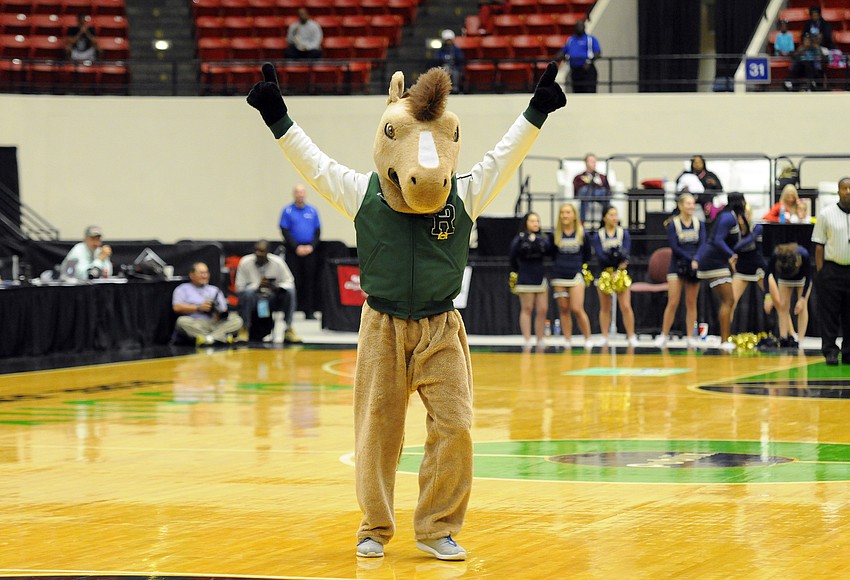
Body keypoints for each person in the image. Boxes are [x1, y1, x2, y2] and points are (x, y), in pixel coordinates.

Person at [247, 61, 566, 560]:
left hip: (442, 326)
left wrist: (536, 111)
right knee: (377, 432)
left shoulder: (462, 193)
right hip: (383, 326)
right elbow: (314, 163)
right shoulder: (362, 193)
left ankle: (437, 527)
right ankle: (374, 526)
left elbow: (505, 157)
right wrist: (278, 118)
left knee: (456, 425)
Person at [694, 192, 748, 351]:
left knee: (728, 300)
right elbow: (717, 240)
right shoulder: (728, 217)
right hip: (713, 262)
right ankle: (724, 340)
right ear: (740, 202)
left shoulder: (728, 215)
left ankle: (725, 339)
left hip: (717, 262)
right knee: (728, 300)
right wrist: (731, 256)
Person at [655, 193, 704, 347]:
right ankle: (664, 335)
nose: (691, 206)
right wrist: (690, 259)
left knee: (691, 302)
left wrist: (697, 259)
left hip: (694, 266)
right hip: (677, 266)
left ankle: (690, 336)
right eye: (687, 203)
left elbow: (703, 244)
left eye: (692, 203)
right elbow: (674, 247)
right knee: (673, 301)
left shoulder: (699, 223)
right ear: (680, 206)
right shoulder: (673, 224)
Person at [811, 176, 850, 365]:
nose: (848, 192)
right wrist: (821, 273)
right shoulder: (826, 214)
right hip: (832, 271)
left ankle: (848, 351)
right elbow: (819, 245)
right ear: (838, 191)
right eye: (845, 188)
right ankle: (830, 350)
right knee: (830, 314)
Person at [234, 240, 301, 344]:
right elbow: (240, 287)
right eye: (256, 250)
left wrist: (276, 287)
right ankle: (245, 328)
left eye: (261, 251)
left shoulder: (277, 262)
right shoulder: (246, 262)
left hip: (272, 297)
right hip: (253, 298)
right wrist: (257, 285)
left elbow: (289, 282)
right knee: (247, 293)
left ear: (268, 252)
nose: (258, 253)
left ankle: (288, 328)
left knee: (290, 292)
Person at [550, 203, 595, 349]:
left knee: (577, 308)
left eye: (568, 212)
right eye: (562, 212)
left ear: (574, 215)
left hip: (575, 274)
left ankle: (588, 338)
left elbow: (587, 254)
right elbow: (551, 254)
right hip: (559, 275)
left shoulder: (582, 233)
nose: (565, 215)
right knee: (563, 308)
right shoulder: (555, 234)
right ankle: (567, 340)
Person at [591, 205, 637, 346]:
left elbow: (626, 253)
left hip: (621, 273)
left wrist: (619, 265)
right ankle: (605, 336)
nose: (614, 218)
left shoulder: (623, 233)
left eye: (616, 215)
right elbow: (600, 255)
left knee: (625, 306)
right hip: (604, 273)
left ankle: (631, 335)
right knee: (605, 307)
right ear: (605, 217)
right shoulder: (598, 235)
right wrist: (612, 263)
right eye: (611, 215)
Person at [172, 262, 244, 346]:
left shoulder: (214, 290)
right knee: (181, 321)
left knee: (237, 320)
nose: (205, 276)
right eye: (202, 273)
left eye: (206, 273)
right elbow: (176, 308)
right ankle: (221, 338)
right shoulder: (182, 289)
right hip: (197, 323)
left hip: (216, 323)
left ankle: (208, 339)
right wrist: (198, 308)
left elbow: (224, 310)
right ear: (192, 275)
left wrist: (217, 311)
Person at [509, 212, 552, 352]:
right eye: (532, 221)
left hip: (539, 276)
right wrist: (519, 270)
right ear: (526, 223)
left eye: (537, 221)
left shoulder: (543, 238)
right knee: (527, 309)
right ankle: (527, 339)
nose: (535, 224)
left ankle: (540, 339)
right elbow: (512, 257)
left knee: (542, 309)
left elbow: (550, 252)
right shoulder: (519, 239)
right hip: (525, 276)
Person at [279, 183, 321, 319]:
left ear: (305, 194)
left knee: (309, 281)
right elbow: (284, 231)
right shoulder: (287, 211)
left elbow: (317, 231)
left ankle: (309, 311)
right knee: (293, 281)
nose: (300, 195)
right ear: (294, 194)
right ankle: (291, 310)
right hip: (293, 251)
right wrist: (296, 247)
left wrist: (311, 247)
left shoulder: (312, 211)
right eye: (297, 192)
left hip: (309, 250)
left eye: (302, 192)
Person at [764, 242, 811, 349]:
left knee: (803, 308)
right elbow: (767, 275)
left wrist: (802, 299)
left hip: (802, 279)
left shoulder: (804, 255)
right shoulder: (776, 254)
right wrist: (767, 296)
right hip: (784, 279)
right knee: (783, 306)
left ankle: (801, 339)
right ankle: (783, 337)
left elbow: (809, 278)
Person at [730, 202, 766, 330]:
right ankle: (725, 333)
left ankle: (789, 332)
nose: (741, 217)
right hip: (742, 270)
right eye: (739, 215)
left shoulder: (756, 227)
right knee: (731, 302)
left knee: (778, 302)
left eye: (744, 214)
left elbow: (747, 242)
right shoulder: (735, 230)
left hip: (758, 269)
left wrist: (733, 251)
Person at [554, 18, 602, 93]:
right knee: (577, 92)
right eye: (578, 26)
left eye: (581, 25)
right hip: (575, 71)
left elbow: (598, 52)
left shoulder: (590, 39)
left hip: (587, 71)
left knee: (589, 93)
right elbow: (563, 51)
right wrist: (559, 56)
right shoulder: (571, 40)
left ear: (584, 27)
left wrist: (589, 61)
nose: (580, 27)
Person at [676, 155, 723, 222]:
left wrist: (714, 183)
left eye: (699, 162)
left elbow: (720, 189)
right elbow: (678, 185)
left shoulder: (710, 175)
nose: (697, 164)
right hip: (689, 201)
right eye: (695, 162)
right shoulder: (686, 174)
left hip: (705, 203)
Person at [572, 153, 610, 228]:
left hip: (598, 195)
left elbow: (607, 188)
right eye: (591, 161)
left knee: (605, 192)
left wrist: (596, 183)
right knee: (586, 191)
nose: (593, 164)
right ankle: (582, 222)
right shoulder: (579, 177)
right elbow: (577, 189)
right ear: (586, 163)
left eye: (594, 161)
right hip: (585, 195)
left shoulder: (601, 177)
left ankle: (605, 220)